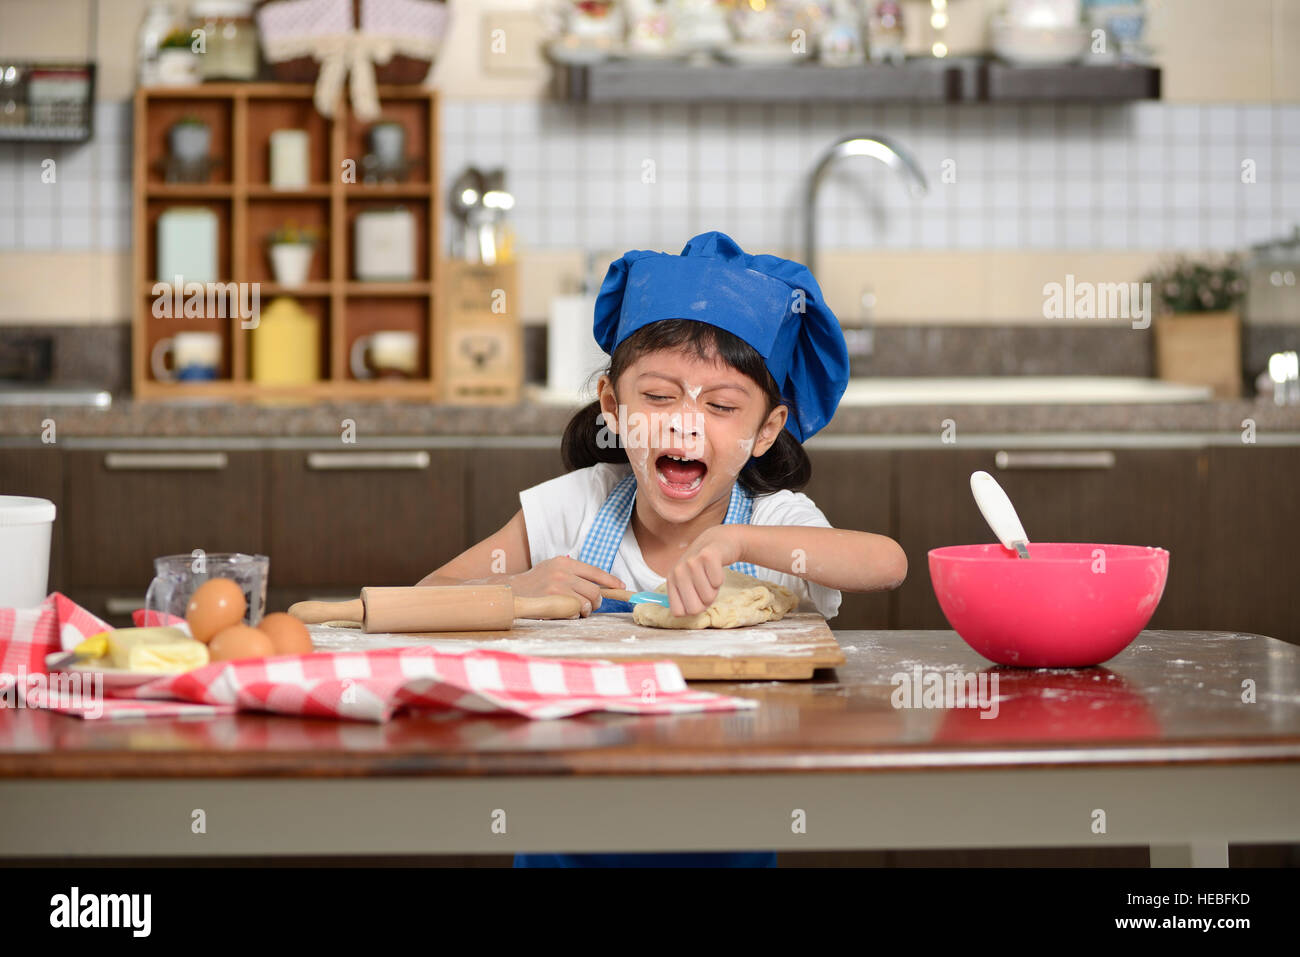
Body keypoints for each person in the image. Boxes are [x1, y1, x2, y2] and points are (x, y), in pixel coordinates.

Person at [420, 230, 908, 866]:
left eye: (723, 405)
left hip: (726, 835)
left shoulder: (773, 525)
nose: (685, 423)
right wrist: (510, 590)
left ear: (766, 431)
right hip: (566, 835)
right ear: (613, 407)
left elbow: (886, 563)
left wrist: (735, 540)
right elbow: (425, 601)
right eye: (657, 397)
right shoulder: (573, 508)